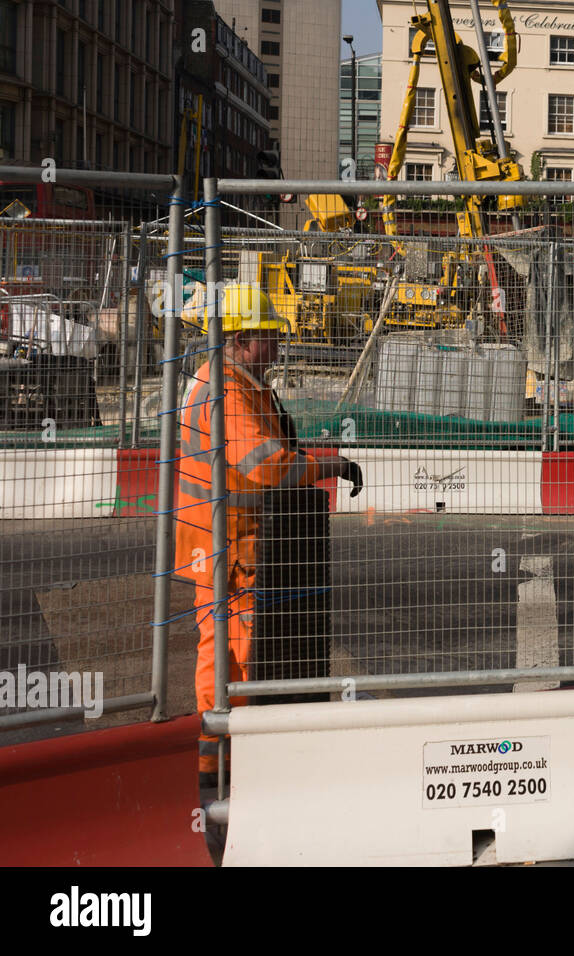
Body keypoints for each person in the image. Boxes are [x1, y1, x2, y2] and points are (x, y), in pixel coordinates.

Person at [174, 283, 362, 856]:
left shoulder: (233, 383)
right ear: (240, 340)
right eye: (269, 336)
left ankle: (230, 762)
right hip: (228, 551)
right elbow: (263, 466)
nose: (278, 344)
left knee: (231, 656)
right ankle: (219, 776)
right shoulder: (227, 391)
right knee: (227, 660)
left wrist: (308, 461)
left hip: (228, 545)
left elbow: (268, 454)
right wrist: (324, 465)